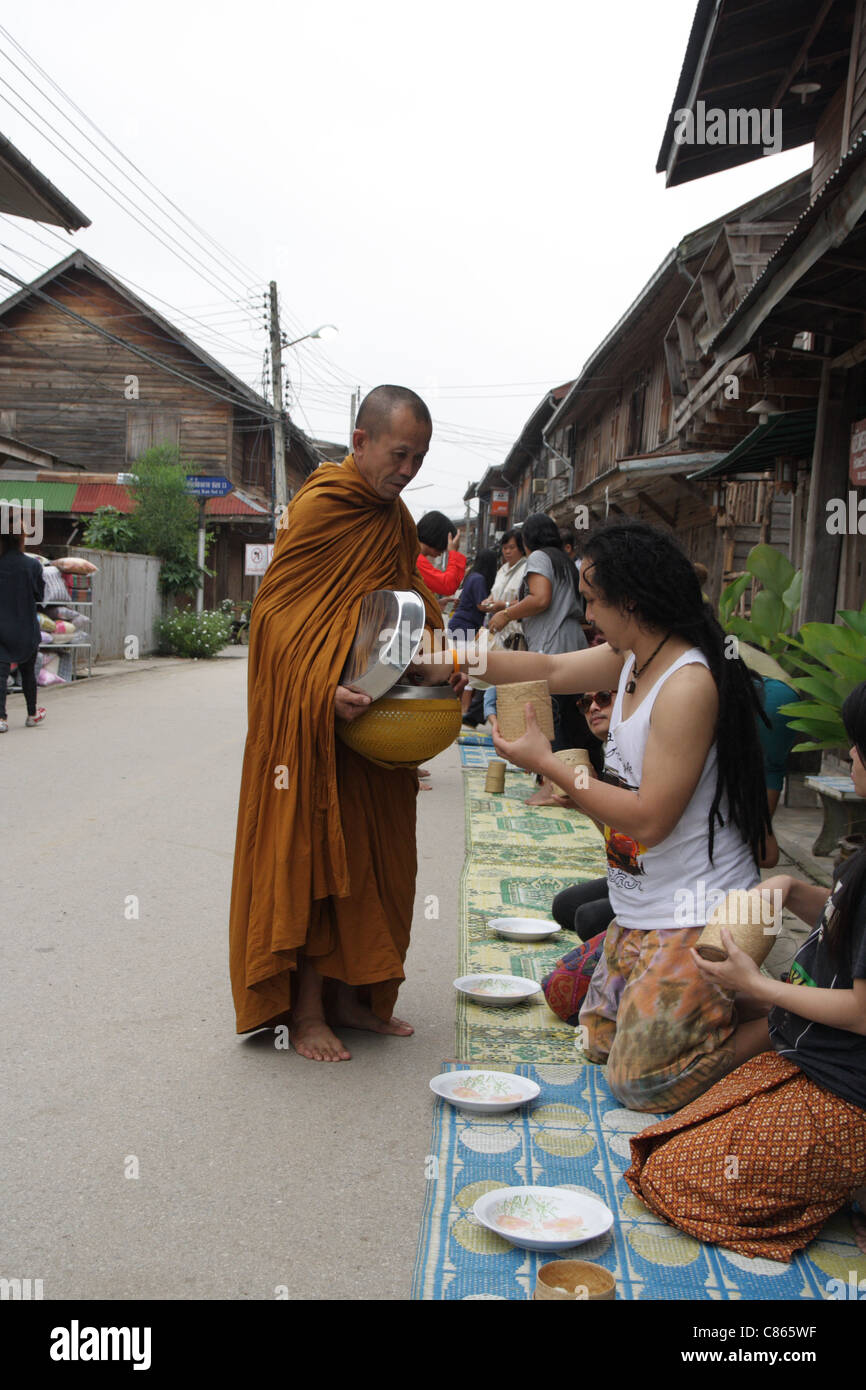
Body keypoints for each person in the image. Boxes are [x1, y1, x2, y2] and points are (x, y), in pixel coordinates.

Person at [418, 519, 772, 1112]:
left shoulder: (686, 685)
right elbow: (549, 670)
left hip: (694, 910)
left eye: (590, 599)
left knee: (640, 1083)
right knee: (573, 1011)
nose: (585, 613)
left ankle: (779, 1026)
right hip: (639, 908)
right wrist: (441, 657)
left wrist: (551, 765)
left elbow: (649, 822)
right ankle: (698, 994)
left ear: (630, 602)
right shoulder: (633, 656)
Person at [228, 384, 454, 1063]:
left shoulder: (396, 520)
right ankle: (303, 1014)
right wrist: (318, 690)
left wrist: (436, 656)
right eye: (398, 454)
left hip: (375, 727)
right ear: (360, 443)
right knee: (314, 862)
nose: (407, 470)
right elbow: (275, 621)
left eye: (418, 459)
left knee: (371, 860)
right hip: (311, 730)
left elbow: (405, 606)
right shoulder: (321, 506)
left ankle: (354, 996)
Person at [624, 681, 866, 1262]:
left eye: (856, 751)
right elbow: (839, 911)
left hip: (846, 1089)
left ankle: (842, 1178)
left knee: (673, 1180)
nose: (852, 759)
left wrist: (758, 987)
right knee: (662, 1145)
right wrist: (788, 889)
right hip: (811, 1055)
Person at [489, 512, 589, 803]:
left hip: (552, 646)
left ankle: (554, 787)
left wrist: (505, 614)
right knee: (571, 720)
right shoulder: (565, 562)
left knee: (552, 721)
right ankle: (574, 786)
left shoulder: (539, 558)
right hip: (574, 643)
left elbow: (540, 598)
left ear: (526, 540)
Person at [0, 512, 46, 733]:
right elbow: (40, 597)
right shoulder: (33, 566)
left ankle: (1, 718)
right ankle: (31, 714)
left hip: (1, 628)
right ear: (22, 537)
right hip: (26, 628)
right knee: (28, 673)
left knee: (0, 675)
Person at [416, 511, 466, 598]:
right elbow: (448, 586)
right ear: (438, 537)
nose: (443, 551)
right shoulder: (415, 560)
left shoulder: (413, 555)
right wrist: (453, 552)